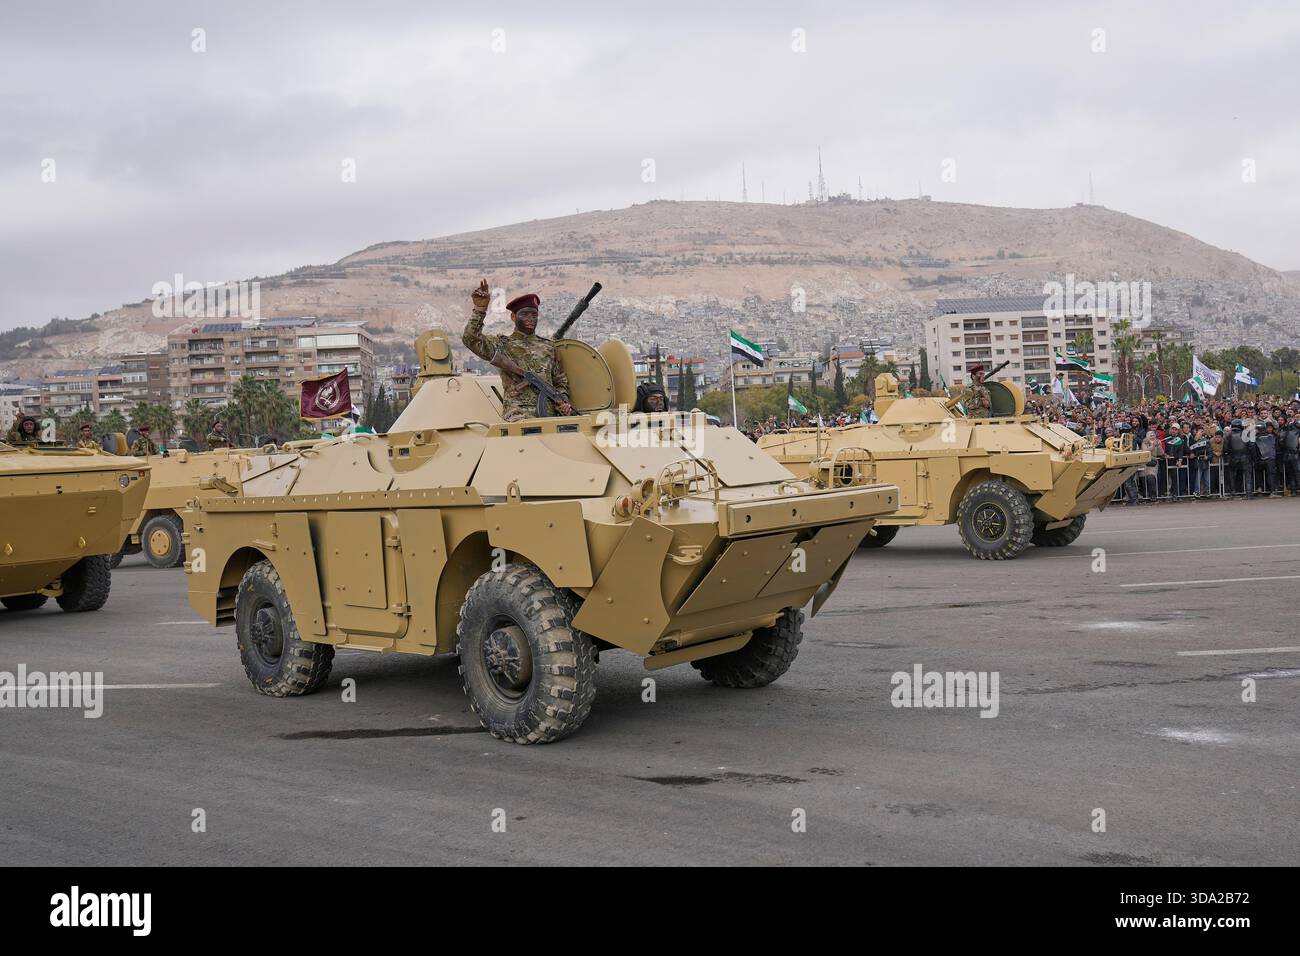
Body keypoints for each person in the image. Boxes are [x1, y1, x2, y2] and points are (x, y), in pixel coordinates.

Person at [462, 279, 574, 422]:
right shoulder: (502, 345)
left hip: (548, 415)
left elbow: (559, 381)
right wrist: (479, 310)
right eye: (525, 314)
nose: (531, 319)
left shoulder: (548, 347)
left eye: (534, 315)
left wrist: (562, 402)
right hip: (518, 415)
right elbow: (470, 339)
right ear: (513, 317)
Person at [1225, 419, 1254, 498]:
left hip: (1233, 457)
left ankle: (1233, 492)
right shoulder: (1246, 434)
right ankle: (1249, 493)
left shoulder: (1229, 435)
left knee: (1232, 475)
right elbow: (1252, 446)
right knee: (1248, 475)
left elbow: (1226, 448)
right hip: (1245, 457)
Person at [1256, 420, 1279, 497]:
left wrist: (1255, 458)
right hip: (1270, 458)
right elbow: (1276, 446)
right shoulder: (1271, 436)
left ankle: (1260, 489)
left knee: (1259, 474)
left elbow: (1253, 449)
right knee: (1271, 475)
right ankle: (1272, 491)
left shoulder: (1255, 437)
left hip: (1260, 459)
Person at [1280, 418, 1300, 497]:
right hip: (1296, 455)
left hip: (1286, 456)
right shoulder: (1298, 433)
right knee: (1297, 473)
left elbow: (1281, 443)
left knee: (1291, 474)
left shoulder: (1285, 433)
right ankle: (1295, 489)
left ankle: (1293, 491)